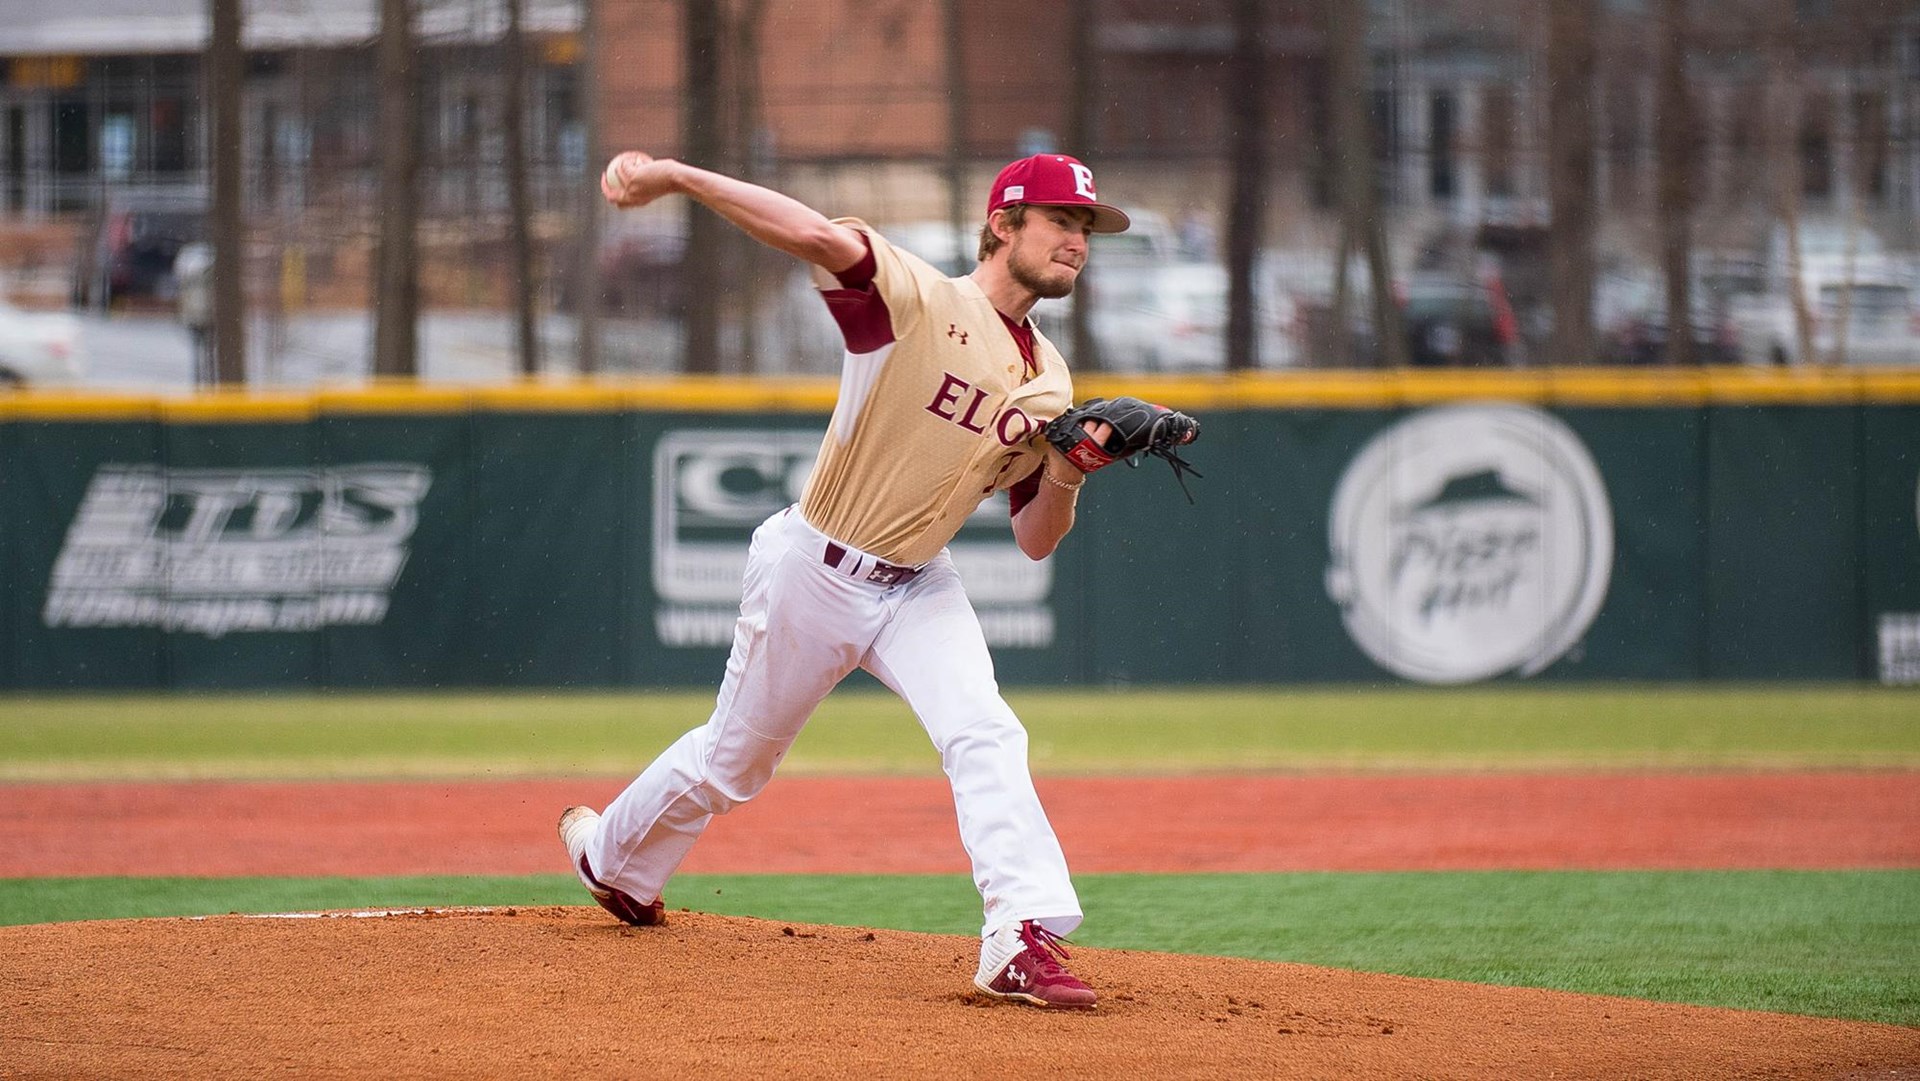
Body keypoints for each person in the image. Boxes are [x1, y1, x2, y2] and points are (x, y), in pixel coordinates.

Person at [560, 151, 1134, 1009]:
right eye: (1060, 220)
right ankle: (612, 858)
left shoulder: (1053, 380)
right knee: (731, 766)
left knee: (984, 729)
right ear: (1003, 224)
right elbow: (811, 235)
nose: (1077, 241)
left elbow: (1034, 539)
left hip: (919, 582)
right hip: (816, 565)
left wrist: (1071, 470)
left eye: (1086, 227)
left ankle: (1017, 936)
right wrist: (680, 178)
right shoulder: (919, 300)